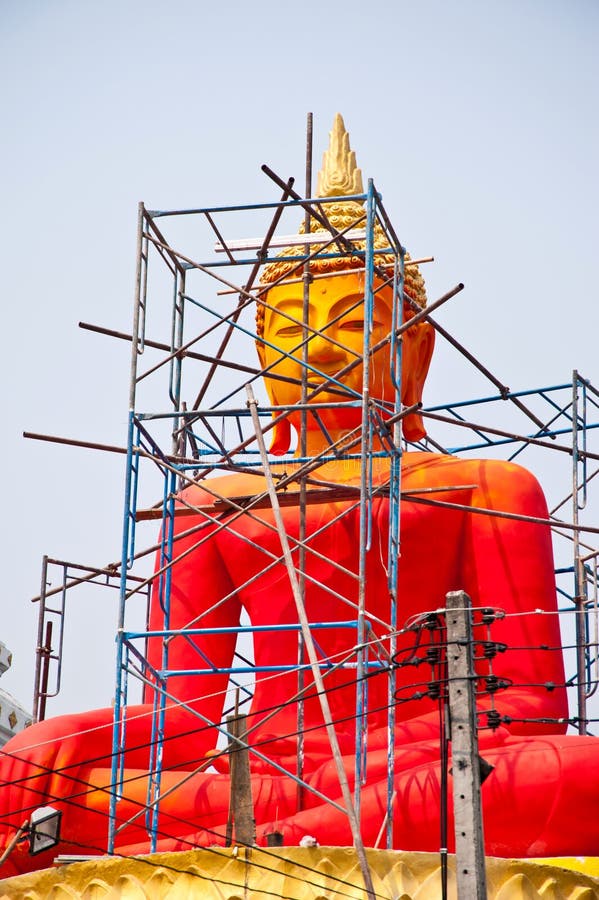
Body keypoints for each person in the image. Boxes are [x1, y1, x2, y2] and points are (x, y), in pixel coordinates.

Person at [0, 115, 596, 876]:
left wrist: (364, 763)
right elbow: (181, 718)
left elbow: (529, 707)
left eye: (356, 321)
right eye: (288, 328)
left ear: (415, 351)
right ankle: (283, 831)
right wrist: (57, 740)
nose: (318, 347)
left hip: (422, 763)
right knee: (45, 784)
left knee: (570, 771)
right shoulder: (208, 504)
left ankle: (266, 842)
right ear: (257, 350)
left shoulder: (487, 488)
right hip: (269, 770)